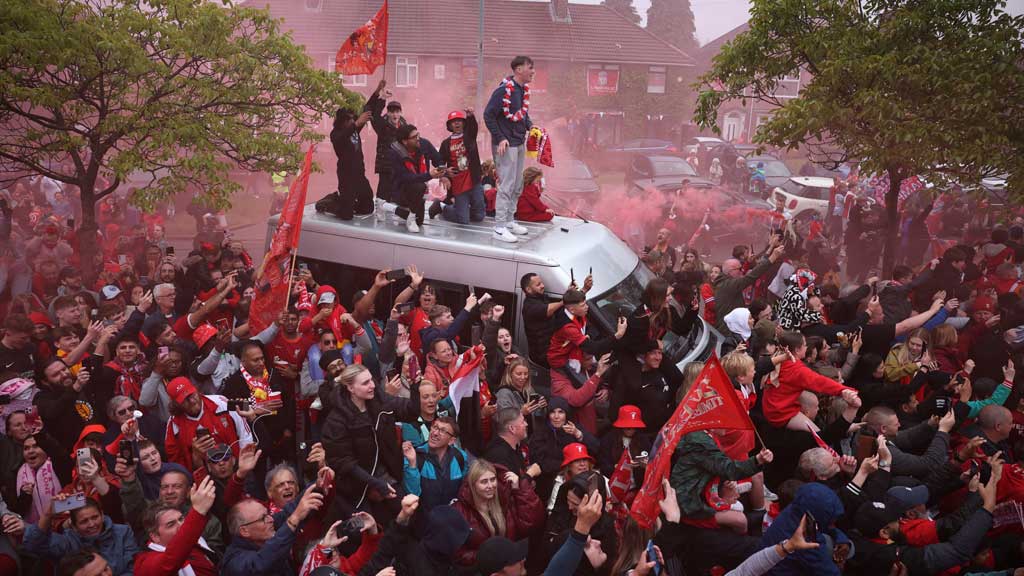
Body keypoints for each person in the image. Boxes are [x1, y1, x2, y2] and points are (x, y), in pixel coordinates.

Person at [321, 364, 420, 522]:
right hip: (357, 486)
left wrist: (415, 385)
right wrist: (375, 484)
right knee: (368, 528)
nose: (373, 385)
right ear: (351, 388)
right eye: (365, 383)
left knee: (408, 516)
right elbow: (344, 463)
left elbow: (411, 411)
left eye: (372, 380)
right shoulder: (337, 420)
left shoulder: (380, 401)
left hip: (386, 475)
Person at [452, 458, 545, 566]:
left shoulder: (503, 499)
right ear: (473, 485)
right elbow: (457, 553)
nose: (490, 486)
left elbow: (531, 523)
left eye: (493, 479)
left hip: (507, 566)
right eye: (484, 482)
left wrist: (519, 489)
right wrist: (486, 558)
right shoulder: (460, 510)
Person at [20, 494, 139, 576]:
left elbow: (134, 568)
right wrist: (47, 515)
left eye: (95, 517)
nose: (92, 524)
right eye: (84, 521)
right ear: (74, 526)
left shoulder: (122, 532)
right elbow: (33, 545)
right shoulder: (67, 541)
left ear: (102, 515)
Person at [484, 55, 535, 243]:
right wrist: (500, 138)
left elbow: (522, 114)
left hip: (519, 141)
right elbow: (488, 115)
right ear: (519, 69)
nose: (533, 72)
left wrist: (531, 126)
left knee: (517, 183)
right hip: (506, 144)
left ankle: (509, 220)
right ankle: (499, 227)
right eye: (530, 68)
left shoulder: (523, 90)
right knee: (506, 184)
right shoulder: (503, 90)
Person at [221, 485, 325, 576]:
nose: (271, 519)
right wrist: (294, 519)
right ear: (244, 531)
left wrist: (318, 486)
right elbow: (261, 562)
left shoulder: (266, 525)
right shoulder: (234, 562)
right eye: (263, 518)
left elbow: (289, 513)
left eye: (268, 514)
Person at [133, 475, 219, 575]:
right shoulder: (145, 563)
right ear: (155, 536)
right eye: (171, 524)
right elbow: (171, 559)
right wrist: (198, 513)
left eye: (181, 519)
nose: (181, 525)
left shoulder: (198, 543)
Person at [163, 376, 253, 471]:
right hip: (203, 478)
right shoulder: (174, 424)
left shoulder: (221, 402)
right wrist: (195, 456)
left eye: (192, 395)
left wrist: (244, 465)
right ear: (176, 404)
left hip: (236, 468)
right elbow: (176, 463)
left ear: (196, 390)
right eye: (185, 400)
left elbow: (245, 433)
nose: (192, 401)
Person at [382, 124, 446, 233]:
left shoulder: (424, 144)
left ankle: (387, 206)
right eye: (414, 137)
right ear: (405, 141)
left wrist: (443, 174)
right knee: (419, 186)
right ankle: (407, 215)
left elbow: (438, 159)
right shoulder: (394, 153)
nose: (418, 139)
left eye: (418, 135)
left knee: (419, 221)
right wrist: (429, 175)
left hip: (419, 190)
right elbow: (407, 178)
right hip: (402, 190)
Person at [402, 415, 473, 512]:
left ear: (451, 440)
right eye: (435, 427)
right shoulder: (415, 456)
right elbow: (412, 495)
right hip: (425, 521)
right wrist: (412, 464)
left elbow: (465, 490)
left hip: (452, 517)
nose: (435, 433)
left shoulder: (460, 457)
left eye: (443, 431)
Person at [714, 244, 785, 333]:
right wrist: (772, 258)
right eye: (739, 269)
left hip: (732, 329)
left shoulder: (726, 282)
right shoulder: (728, 285)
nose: (742, 271)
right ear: (730, 271)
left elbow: (754, 269)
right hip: (728, 332)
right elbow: (751, 277)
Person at [435, 109, 486, 224]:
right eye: (453, 121)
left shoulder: (469, 136)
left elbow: (473, 127)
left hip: (474, 181)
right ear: (449, 125)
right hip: (458, 184)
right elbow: (440, 161)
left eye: (459, 120)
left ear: (464, 123)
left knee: (479, 216)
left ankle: (462, 211)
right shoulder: (445, 143)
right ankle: (442, 207)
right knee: (463, 220)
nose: (457, 123)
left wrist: (470, 116)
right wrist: (444, 173)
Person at [326, 107, 374, 220]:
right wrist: (356, 124)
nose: (352, 121)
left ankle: (345, 202)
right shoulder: (335, 134)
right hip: (346, 176)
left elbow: (367, 108)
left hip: (359, 174)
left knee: (367, 208)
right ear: (342, 121)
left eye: (353, 119)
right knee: (346, 215)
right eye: (349, 120)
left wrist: (377, 93)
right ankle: (331, 203)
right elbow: (342, 137)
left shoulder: (354, 130)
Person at [366, 80, 405, 203]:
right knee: (383, 196)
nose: (395, 114)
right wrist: (383, 98)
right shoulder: (382, 126)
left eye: (397, 111)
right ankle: (380, 215)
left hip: (400, 167)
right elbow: (375, 115)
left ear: (400, 113)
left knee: (398, 195)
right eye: (392, 111)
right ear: (387, 113)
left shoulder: (404, 126)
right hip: (386, 166)